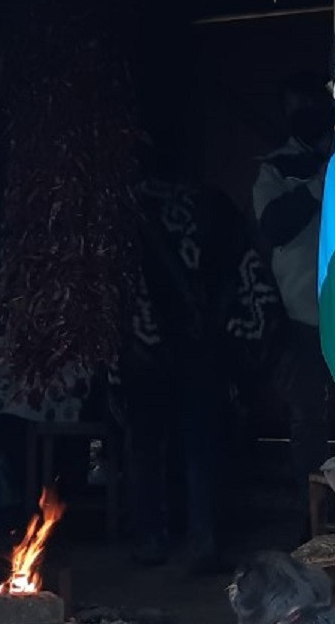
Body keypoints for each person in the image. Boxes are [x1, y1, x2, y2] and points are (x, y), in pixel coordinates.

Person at [115, 161, 285, 572]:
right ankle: (196, 536)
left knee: (156, 446)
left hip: (159, 345)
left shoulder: (134, 207)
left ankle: (156, 537)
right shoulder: (206, 205)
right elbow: (243, 273)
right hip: (191, 344)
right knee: (194, 446)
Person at [251, 78, 335, 490]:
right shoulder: (277, 167)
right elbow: (274, 226)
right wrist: (318, 186)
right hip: (302, 313)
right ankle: (312, 514)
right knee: (307, 415)